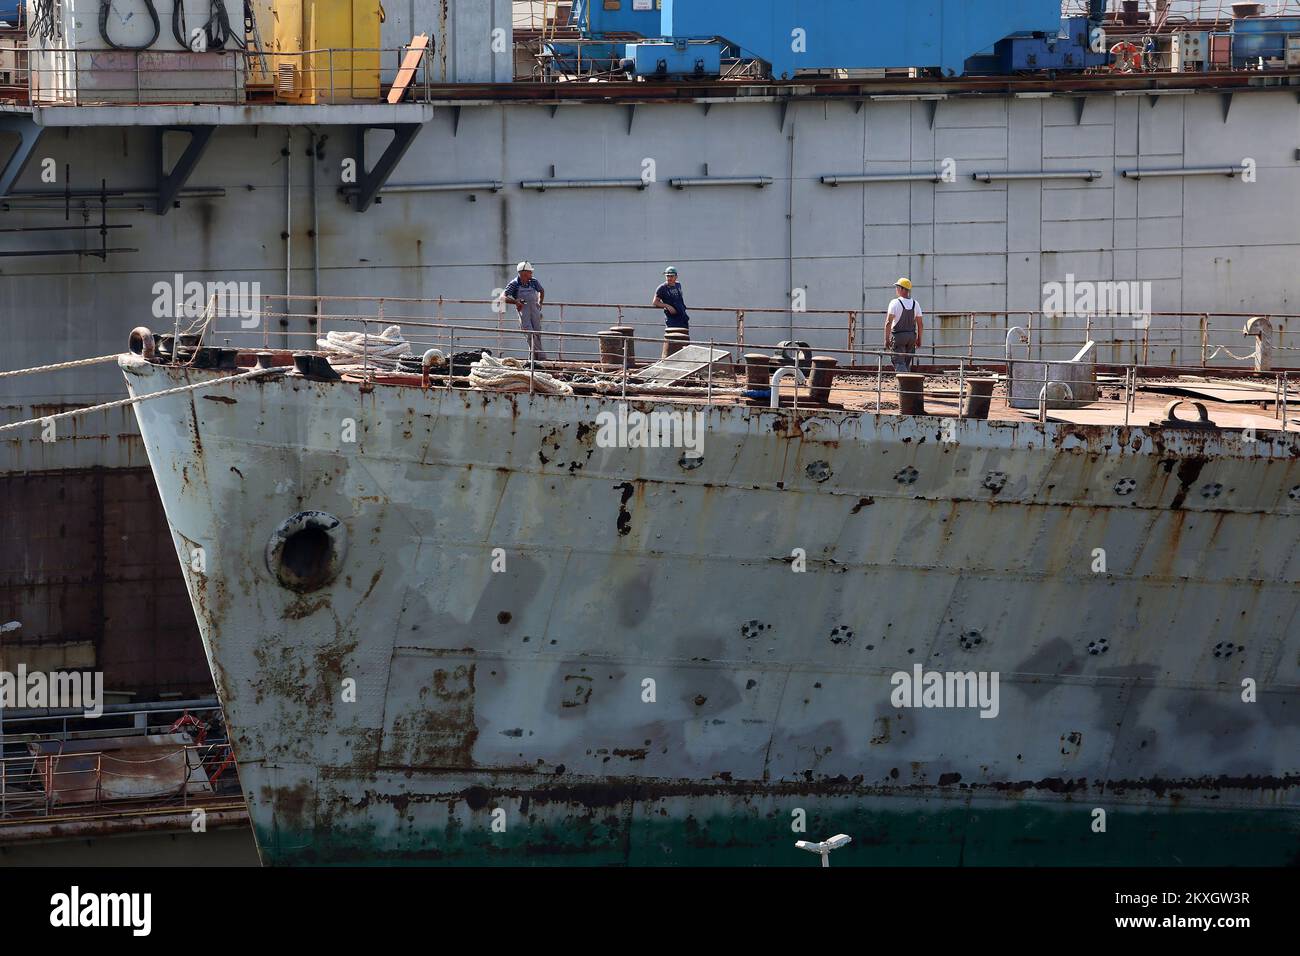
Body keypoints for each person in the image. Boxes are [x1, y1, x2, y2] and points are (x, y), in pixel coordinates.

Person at [503, 261, 547, 361]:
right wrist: (516, 302)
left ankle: (533, 360)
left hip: (535, 311)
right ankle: (541, 358)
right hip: (524, 313)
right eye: (530, 272)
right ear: (524, 273)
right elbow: (502, 297)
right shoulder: (514, 284)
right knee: (529, 334)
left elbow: (541, 290)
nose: (531, 274)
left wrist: (540, 302)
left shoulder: (533, 281)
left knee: (537, 334)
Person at [885, 278, 923, 373]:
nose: (896, 289)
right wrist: (919, 339)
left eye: (897, 287)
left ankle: (904, 385)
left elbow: (888, 322)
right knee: (906, 362)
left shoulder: (895, 303)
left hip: (899, 337)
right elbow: (920, 324)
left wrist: (886, 339)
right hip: (911, 337)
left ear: (902, 289)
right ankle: (907, 384)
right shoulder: (915, 303)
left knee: (898, 361)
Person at [652, 266, 690, 341]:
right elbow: (655, 302)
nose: (669, 278)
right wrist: (667, 306)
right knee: (673, 340)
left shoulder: (678, 285)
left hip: (682, 316)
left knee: (684, 340)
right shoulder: (662, 288)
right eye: (667, 276)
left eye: (671, 276)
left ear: (676, 277)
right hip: (672, 319)